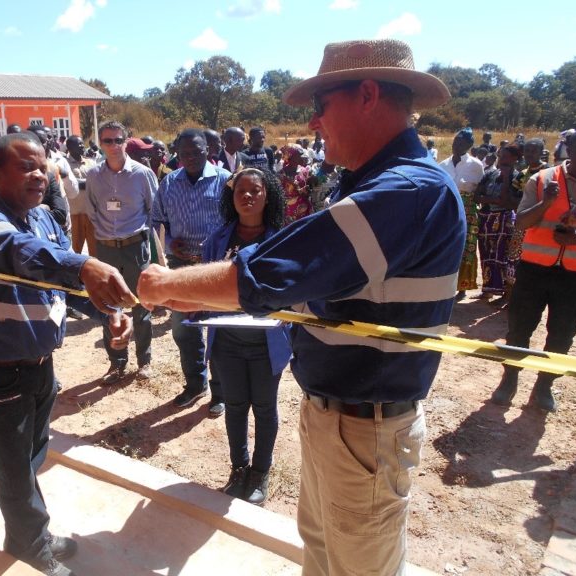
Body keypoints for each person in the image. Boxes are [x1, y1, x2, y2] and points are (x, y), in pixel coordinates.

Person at [139, 39, 462, 575]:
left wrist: (167, 283)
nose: (313, 122)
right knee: (324, 557)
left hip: (364, 430)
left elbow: (274, 271)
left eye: (321, 105)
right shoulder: (381, 184)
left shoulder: (406, 191)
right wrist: (191, 291)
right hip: (342, 423)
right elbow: (288, 270)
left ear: (367, 95)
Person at [0, 132, 135, 576]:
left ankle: (32, 535)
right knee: (14, 467)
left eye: (42, 166)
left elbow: (63, 285)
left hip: (38, 367)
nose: (38, 175)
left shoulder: (45, 219)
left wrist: (107, 313)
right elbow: (16, 252)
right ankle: (31, 549)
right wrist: (84, 264)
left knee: (31, 457)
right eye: (25, 167)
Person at [202, 168, 291, 505]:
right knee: (236, 406)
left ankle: (260, 472)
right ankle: (238, 469)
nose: (248, 196)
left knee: (265, 409)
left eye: (256, 190)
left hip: (266, 344)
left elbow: (289, 292)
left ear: (268, 196)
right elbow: (206, 286)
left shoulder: (282, 240)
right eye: (241, 190)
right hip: (227, 343)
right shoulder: (217, 240)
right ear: (232, 196)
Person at [491, 132, 576, 413]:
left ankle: (544, 386)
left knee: (562, 334)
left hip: (575, 276)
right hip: (533, 270)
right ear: (569, 150)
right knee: (519, 328)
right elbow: (521, 222)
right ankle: (509, 380)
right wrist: (546, 203)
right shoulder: (542, 180)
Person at [152, 128, 232, 416]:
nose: (190, 157)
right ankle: (196, 384)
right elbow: (158, 220)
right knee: (184, 329)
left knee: (219, 330)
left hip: (215, 268)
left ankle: (220, 391)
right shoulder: (169, 183)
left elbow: (235, 223)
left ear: (207, 150)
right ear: (177, 154)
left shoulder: (225, 180)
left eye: (196, 151)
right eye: (184, 153)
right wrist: (170, 243)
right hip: (181, 266)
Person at [86, 123, 157, 383]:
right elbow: (92, 210)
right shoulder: (93, 175)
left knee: (141, 305)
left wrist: (142, 239)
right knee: (109, 306)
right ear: (100, 144)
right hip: (107, 248)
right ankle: (117, 363)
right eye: (108, 141)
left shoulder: (142, 174)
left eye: (118, 140)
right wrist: (106, 235)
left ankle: (144, 361)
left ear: (126, 142)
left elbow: (153, 209)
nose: (114, 146)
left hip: (135, 247)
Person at [439, 128, 485, 299]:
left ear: (469, 145)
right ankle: (444, 284)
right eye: (455, 141)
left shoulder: (476, 165)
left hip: (468, 213)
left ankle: (462, 287)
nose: (456, 145)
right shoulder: (443, 165)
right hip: (446, 211)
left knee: (465, 248)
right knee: (445, 247)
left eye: (461, 143)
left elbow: (480, 190)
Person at [473, 144, 521, 301]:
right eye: (500, 156)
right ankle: (487, 289)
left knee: (502, 255)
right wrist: (493, 200)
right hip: (487, 218)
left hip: (504, 221)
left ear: (515, 159)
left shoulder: (517, 177)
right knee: (486, 253)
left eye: (505, 157)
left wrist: (506, 180)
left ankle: (504, 292)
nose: (501, 160)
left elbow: (506, 201)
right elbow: (477, 196)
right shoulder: (490, 174)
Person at [503, 138, 549, 301]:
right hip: (521, 223)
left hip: (540, 225)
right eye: (527, 151)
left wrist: (523, 201)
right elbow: (510, 197)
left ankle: (530, 298)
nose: (529, 154)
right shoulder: (522, 173)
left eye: (533, 151)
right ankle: (510, 296)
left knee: (535, 261)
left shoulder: (548, 172)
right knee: (514, 258)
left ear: (541, 153)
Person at [65, 135, 97, 257]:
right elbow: (67, 183)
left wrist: (79, 182)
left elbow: (97, 182)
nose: (82, 146)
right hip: (74, 214)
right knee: (75, 252)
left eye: (82, 143)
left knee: (95, 251)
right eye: (79, 144)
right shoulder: (65, 163)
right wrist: (86, 183)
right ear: (69, 147)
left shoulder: (91, 162)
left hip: (91, 214)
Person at [278, 143, 315, 225]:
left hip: (305, 209)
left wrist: (308, 189)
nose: (302, 157)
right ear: (290, 157)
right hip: (289, 211)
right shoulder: (281, 174)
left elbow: (308, 189)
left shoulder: (304, 170)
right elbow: (279, 195)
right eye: (299, 155)